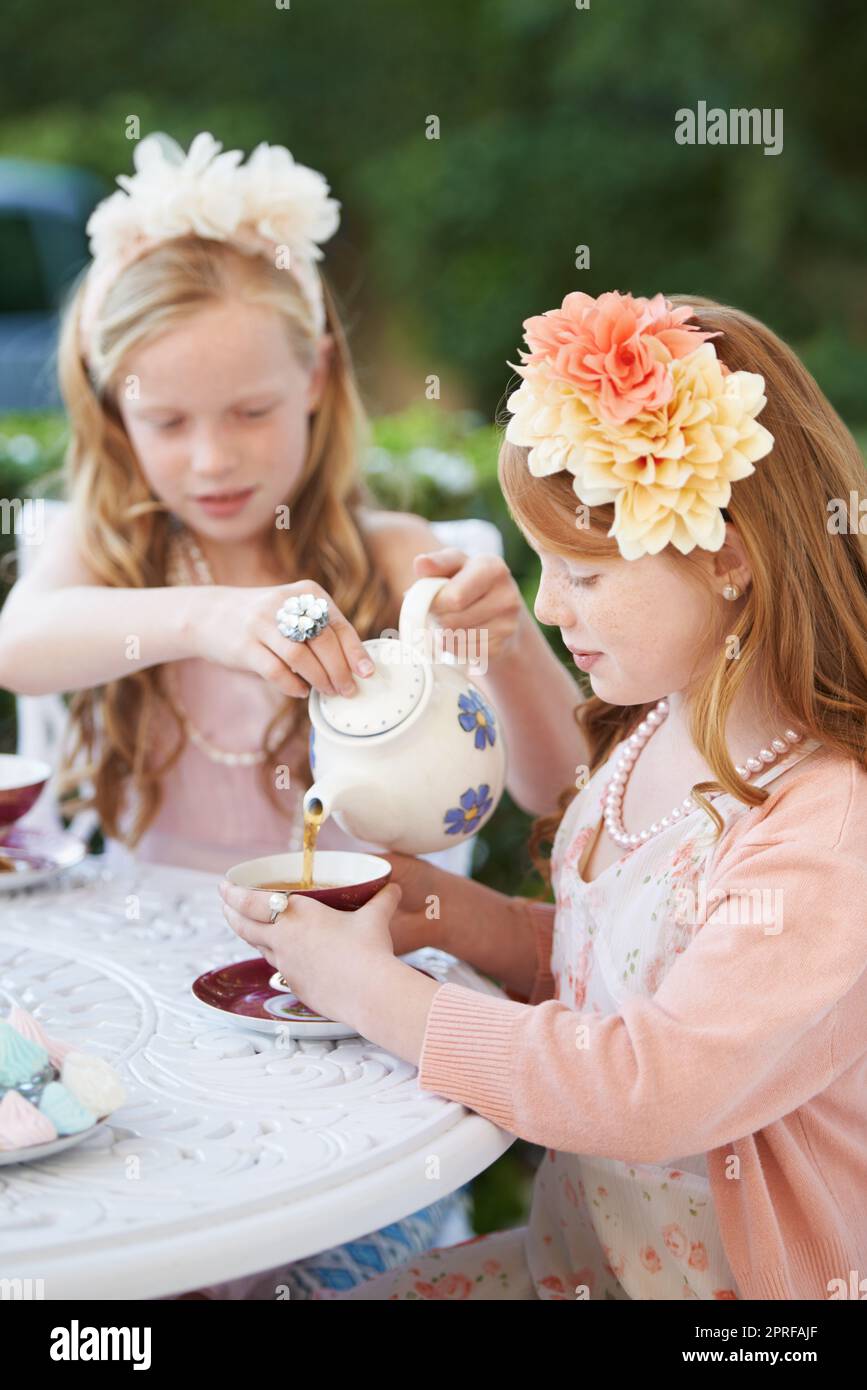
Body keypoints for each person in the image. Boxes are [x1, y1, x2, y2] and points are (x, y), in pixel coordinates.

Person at [0, 133, 588, 1299]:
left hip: (367, 1076)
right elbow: (18, 647)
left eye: (251, 410)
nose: (212, 458)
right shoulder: (108, 561)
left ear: (319, 376)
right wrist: (213, 620)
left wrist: (511, 637)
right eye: (166, 422)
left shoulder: (409, 565)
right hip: (156, 1055)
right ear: (117, 414)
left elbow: (563, 788)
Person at [221, 289, 867, 1300]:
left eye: (587, 573)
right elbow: (602, 965)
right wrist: (433, 908)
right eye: (543, 566)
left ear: (732, 553)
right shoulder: (658, 728)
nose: (551, 602)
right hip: (576, 1271)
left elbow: (649, 1086)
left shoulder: (825, 829)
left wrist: (369, 993)